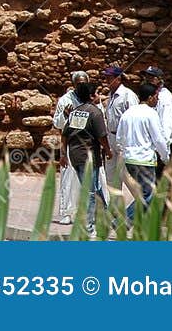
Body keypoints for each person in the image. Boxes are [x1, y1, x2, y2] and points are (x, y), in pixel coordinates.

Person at [58, 79, 111, 233]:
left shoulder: (75, 112)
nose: (98, 95)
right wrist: (108, 151)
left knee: (94, 186)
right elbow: (102, 136)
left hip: (75, 156)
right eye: (96, 93)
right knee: (90, 191)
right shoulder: (95, 112)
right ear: (90, 95)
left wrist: (63, 155)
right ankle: (89, 226)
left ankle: (105, 214)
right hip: (88, 157)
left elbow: (65, 135)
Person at [115, 81, 170, 220]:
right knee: (149, 195)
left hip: (129, 160)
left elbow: (119, 137)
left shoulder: (127, 113)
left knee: (143, 194)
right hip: (144, 160)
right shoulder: (151, 114)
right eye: (156, 96)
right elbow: (158, 139)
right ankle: (122, 222)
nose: (157, 100)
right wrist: (165, 156)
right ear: (151, 97)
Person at [51, 69, 91, 225]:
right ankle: (67, 213)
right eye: (79, 83)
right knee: (69, 179)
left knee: (91, 179)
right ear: (74, 84)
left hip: (88, 144)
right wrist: (65, 115)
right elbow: (57, 124)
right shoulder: (65, 100)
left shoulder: (91, 97)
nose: (82, 86)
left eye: (84, 83)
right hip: (71, 144)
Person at [101, 64, 138, 188]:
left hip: (123, 139)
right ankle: (115, 205)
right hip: (111, 138)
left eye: (110, 78)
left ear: (118, 79)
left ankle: (141, 202)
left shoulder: (128, 95)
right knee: (111, 176)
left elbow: (134, 118)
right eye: (106, 78)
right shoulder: (111, 95)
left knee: (126, 175)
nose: (107, 81)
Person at [145, 66, 172, 178]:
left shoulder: (164, 98)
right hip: (156, 144)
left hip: (162, 144)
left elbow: (167, 124)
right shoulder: (154, 95)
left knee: (158, 180)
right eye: (146, 76)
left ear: (159, 79)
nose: (147, 79)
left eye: (151, 77)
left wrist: (163, 148)